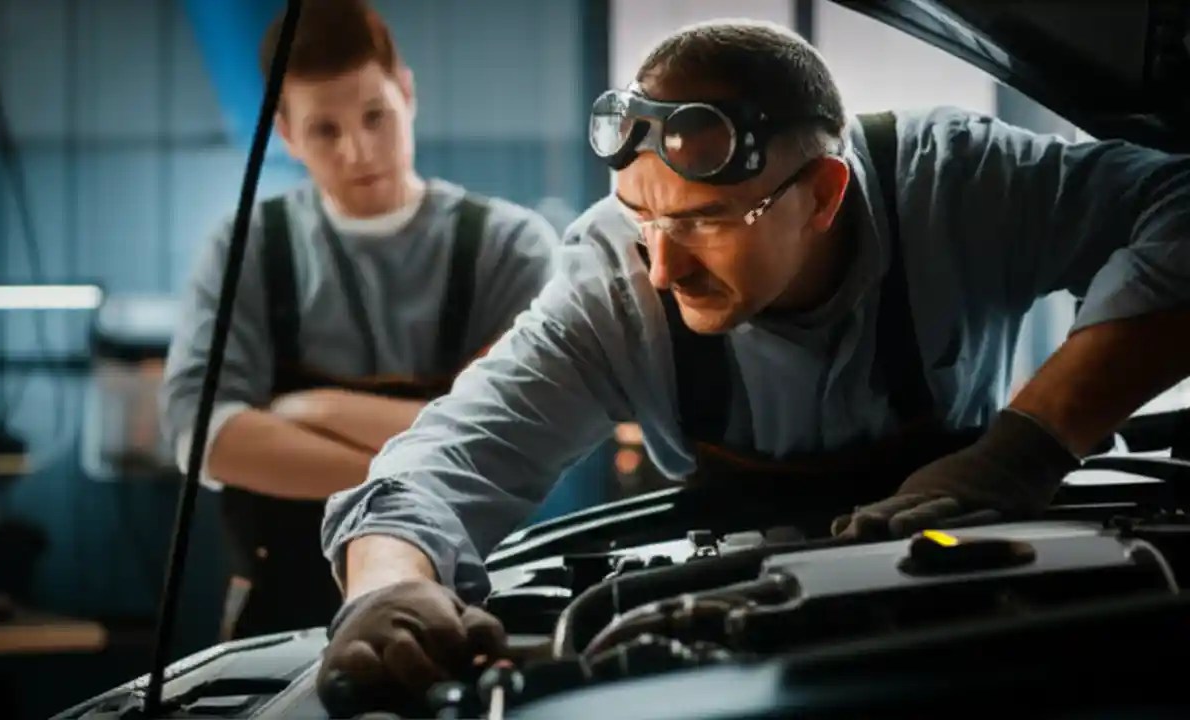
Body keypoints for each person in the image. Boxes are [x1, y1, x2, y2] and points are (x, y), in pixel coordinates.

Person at [316, 18, 1190, 696]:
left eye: (702, 221)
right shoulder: (613, 287)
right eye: (642, 217)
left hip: (973, 614)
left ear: (822, 195)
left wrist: (1024, 450)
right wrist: (387, 586)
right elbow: (447, 458)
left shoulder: (959, 186)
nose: (664, 264)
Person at [160, 0, 558, 641]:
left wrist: (309, 410)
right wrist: (439, 466)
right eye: (325, 129)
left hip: (468, 608)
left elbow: (519, 433)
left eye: (376, 115)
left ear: (407, 93)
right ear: (286, 134)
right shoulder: (248, 250)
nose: (359, 149)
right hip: (279, 622)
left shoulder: (510, 249)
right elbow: (204, 436)